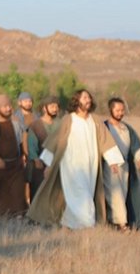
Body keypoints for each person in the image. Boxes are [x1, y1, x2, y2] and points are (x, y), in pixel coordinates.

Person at [26, 89, 125, 229]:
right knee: (81, 193)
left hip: (91, 166)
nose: (88, 100)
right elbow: (56, 140)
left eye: (89, 97)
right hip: (71, 165)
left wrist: (113, 161)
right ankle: (87, 225)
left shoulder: (95, 120)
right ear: (77, 101)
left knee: (85, 194)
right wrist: (49, 164)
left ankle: (70, 223)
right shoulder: (69, 119)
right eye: (84, 98)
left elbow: (105, 140)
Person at [103, 97, 140, 229]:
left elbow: (135, 146)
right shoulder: (104, 128)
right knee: (115, 195)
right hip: (108, 168)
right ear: (110, 110)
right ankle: (121, 224)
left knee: (124, 195)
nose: (120, 113)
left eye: (122, 110)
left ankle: (122, 222)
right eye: (117, 110)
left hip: (125, 167)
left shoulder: (127, 129)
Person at [26, 96, 62, 201]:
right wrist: (36, 159)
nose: (55, 109)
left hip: (57, 162)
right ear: (44, 108)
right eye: (52, 106)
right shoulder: (35, 125)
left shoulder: (61, 124)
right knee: (38, 190)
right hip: (40, 163)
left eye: (56, 106)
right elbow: (31, 144)